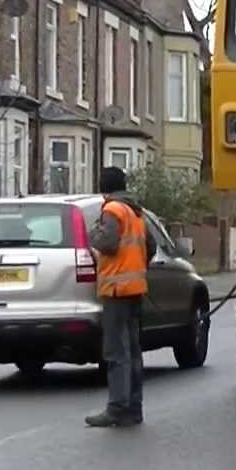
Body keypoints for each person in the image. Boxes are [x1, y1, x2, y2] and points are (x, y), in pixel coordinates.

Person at [86, 167, 155, 428]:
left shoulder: (113, 210)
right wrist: (137, 268)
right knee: (134, 352)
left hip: (116, 290)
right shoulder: (137, 212)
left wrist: (93, 232)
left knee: (116, 352)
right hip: (136, 288)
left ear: (105, 187)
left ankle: (116, 408)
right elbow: (151, 246)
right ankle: (133, 408)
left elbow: (108, 242)